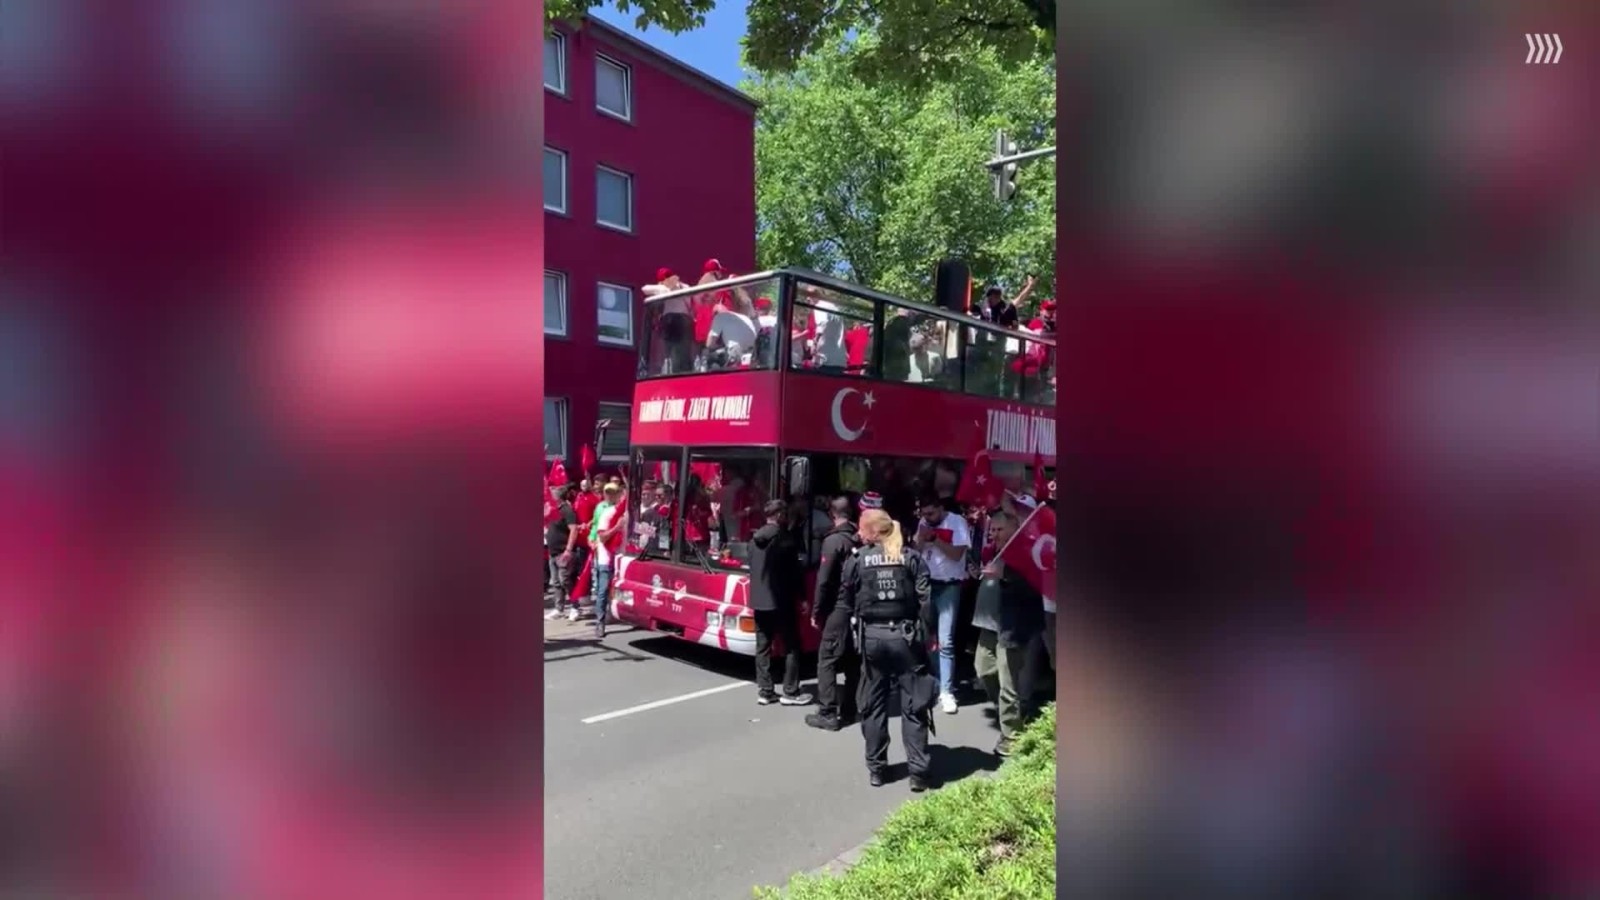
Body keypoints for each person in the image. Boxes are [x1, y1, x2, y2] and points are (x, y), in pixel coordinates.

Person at [839, 508, 937, 790]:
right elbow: (926, 601)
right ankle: (918, 773)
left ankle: (877, 769)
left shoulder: (857, 560)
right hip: (907, 639)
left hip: (872, 639)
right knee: (914, 705)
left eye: (862, 527)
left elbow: (846, 599)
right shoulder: (911, 558)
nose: (858, 532)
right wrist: (928, 634)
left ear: (874, 531)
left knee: (873, 706)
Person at [972, 509, 1045, 756]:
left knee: (1008, 683)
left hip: (1012, 625)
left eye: (999, 529)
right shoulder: (993, 550)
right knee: (984, 669)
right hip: (989, 623)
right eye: (992, 529)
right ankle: (1010, 713)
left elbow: (1035, 585)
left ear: (1014, 527)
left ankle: (1011, 737)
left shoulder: (1026, 552)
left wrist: (1005, 574)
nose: (994, 534)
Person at [748, 499, 812, 706]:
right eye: (784, 514)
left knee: (762, 647)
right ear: (779, 515)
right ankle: (790, 691)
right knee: (792, 646)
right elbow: (794, 573)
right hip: (781, 600)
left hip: (759, 600)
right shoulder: (785, 539)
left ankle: (765, 691)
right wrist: (803, 598)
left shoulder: (753, 540)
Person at [912, 495, 972, 714]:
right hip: (927, 584)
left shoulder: (957, 522)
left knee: (946, 640)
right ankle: (939, 680)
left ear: (940, 508)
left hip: (949, 585)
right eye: (924, 514)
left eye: (931, 513)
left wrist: (935, 538)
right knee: (928, 638)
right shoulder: (924, 523)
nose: (928, 518)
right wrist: (921, 538)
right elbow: (916, 552)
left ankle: (947, 691)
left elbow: (957, 554)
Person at [805, 496, 861, 731]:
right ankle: (849, 709)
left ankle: (828, 712)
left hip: (838, 608)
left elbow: (824, 581)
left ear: (832, 514)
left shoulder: (833, 541)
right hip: (857, 608)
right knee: (852, 661)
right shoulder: (859, 539)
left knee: (826, 660)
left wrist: (816, 611)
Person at [589, 482, 627, 638]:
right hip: (606, 558)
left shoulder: (629, 512)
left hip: (623, 559)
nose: (611, 496)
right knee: (603, 590)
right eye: (608, 493)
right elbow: (603, 537)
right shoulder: (607, 512)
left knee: (621, 590)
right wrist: (617, 527)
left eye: (614, 493)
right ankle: (600, 622)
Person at [644, 267, 695, 374]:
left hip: (670, 320)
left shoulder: (662, 288)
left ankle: (671, 372)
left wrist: (664, 288)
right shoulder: (685, 286)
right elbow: (691, 303)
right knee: (684, 350)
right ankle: (685, 371)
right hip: (685, 320)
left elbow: (644, 289)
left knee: (669, 351)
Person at [544, 485, 582, 620]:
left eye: (551, 494)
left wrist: (568, 549)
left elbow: (574, 529)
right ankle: (559, 609)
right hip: (553, 552)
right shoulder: (552, 510)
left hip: (563, 551)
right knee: (556, 582)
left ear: (558, 496)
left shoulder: (567, 510)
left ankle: (575, 607)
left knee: (565, 580)